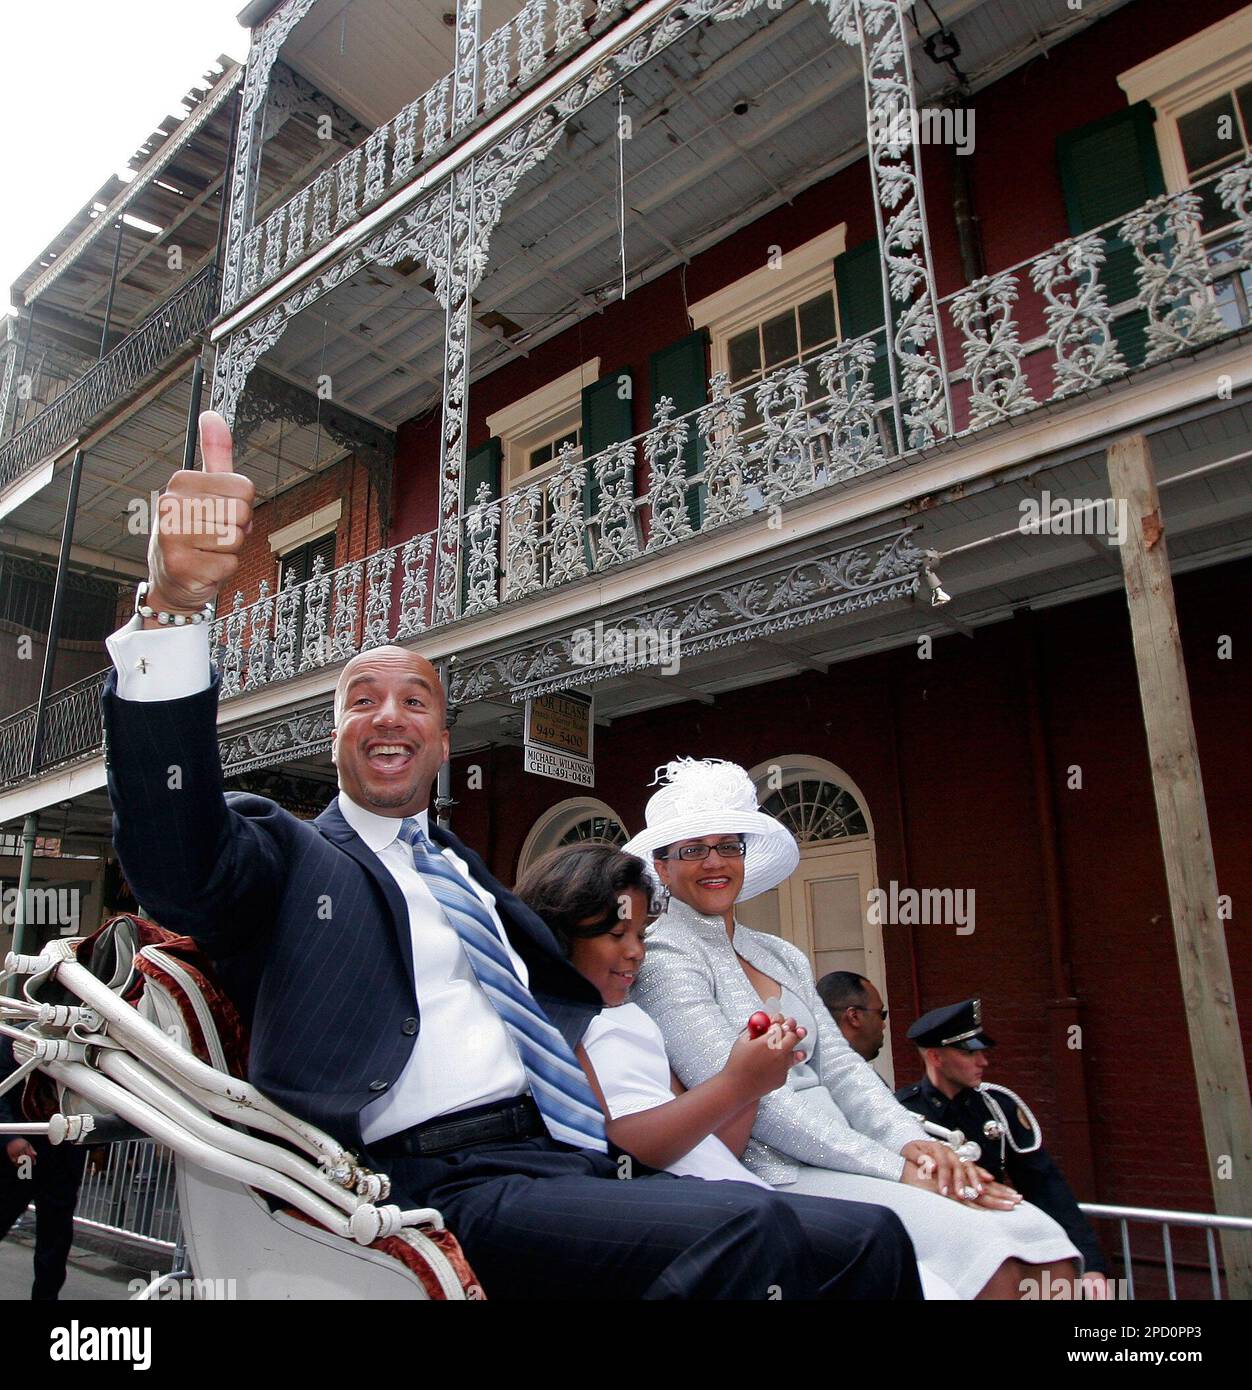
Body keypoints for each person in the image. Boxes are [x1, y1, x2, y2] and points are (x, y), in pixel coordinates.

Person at [98, 410, 923, 1301]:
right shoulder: (290, 858)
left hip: (567, 1158)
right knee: (745, 1230)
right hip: (425, 1181)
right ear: (334, 734)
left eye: (414, 701)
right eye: (361, 699)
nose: (387, 714)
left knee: (870, 1238)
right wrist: (173, 613)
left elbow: (582, 979)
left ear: (443, 743)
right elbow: (177, 859)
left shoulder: (470, 878)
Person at [628, 757, 1085, 1301]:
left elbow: (845, 1070)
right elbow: (748, 1100)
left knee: (1041, 1240)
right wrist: (896, 1169)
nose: (715, 862)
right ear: (660, 866)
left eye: (729, 845)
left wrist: (914, 1144)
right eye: (692, 850)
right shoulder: (662, 958)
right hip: (777, 1169)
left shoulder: (779, 953)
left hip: (863, 1153)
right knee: (995, 1256)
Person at [896, 999, 1110, 1296]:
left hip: (1000, 1249)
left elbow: (1045, 1186)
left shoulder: (998, 1107)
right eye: (969, 1053)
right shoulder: (902, 1115)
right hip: (941, 1259)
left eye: (982, 1051)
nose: (983, 1062)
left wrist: (1092, 1264)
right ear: (935, 1057)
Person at [0, 1034, 88, 1300]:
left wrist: (98, 1146)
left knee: (56, 1238)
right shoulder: (14, 1040)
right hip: (21, 1152)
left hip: (65, 1152)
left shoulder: (84, 1048)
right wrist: (10, 1138)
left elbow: (94, 1100)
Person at [817, 971, 888, 1062]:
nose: (883, 1025)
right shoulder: (850, 1074)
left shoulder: (806, 1070)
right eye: (881, 1014)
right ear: (854, 1017)